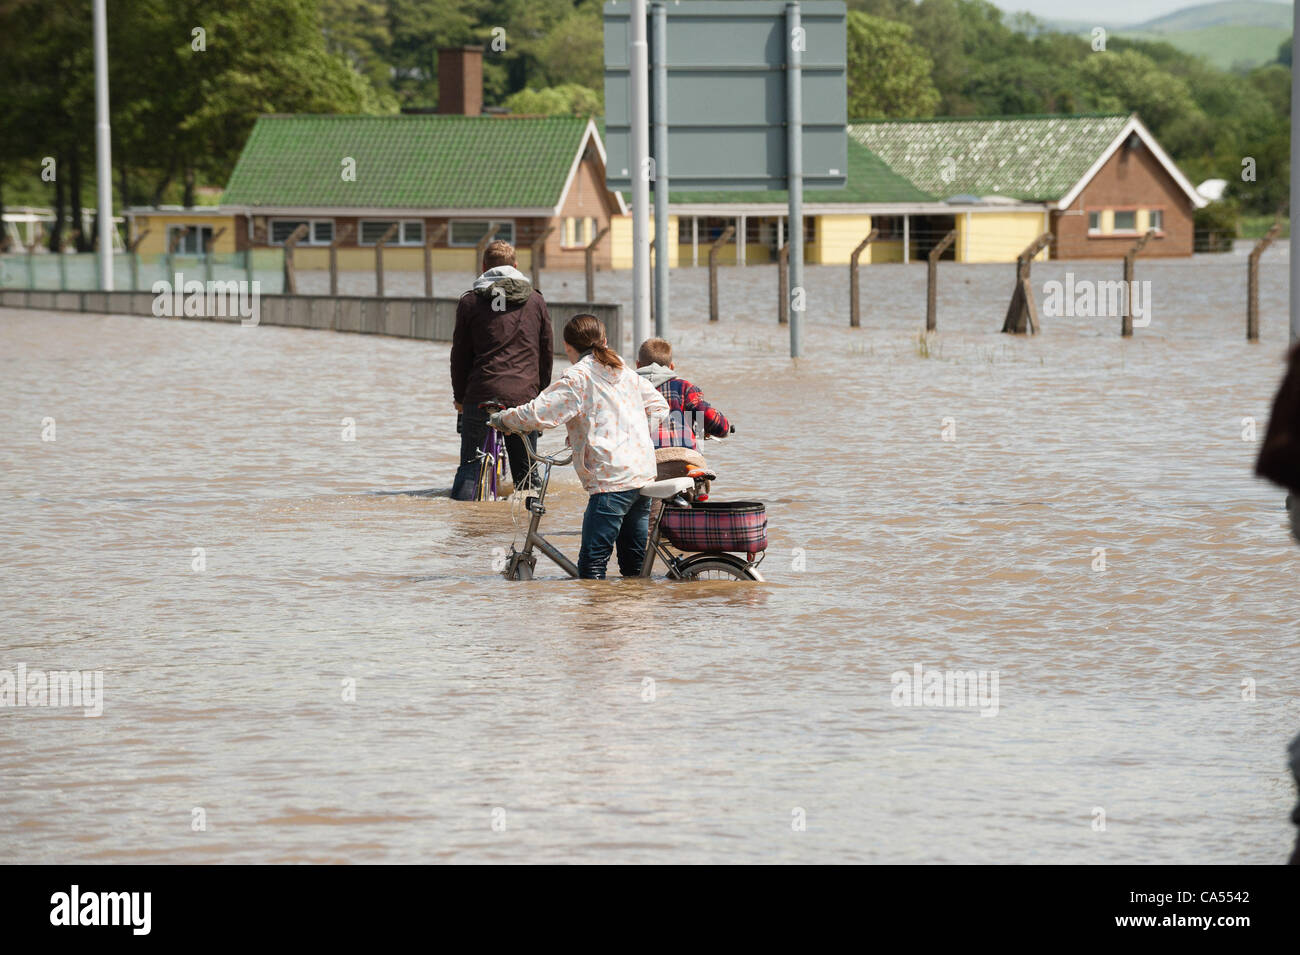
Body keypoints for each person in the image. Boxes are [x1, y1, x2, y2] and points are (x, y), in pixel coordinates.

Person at [489, 314, 668, 579]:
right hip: (641, 474)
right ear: (604, 341)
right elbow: (659, 407)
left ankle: (595, 620)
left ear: (567, 346)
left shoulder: (577, 377)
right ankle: (635, 620)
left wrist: (502, 419)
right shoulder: (624, 371)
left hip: (611, 481)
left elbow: (538, 413)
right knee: (634, 568)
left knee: (591, 570)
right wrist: (631, 435)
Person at [449, 239, 552, 500]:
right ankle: (531, 520)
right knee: (527, 473)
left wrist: (460, 398)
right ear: (516, 266)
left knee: (470, 467)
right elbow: (546, 350)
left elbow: (459, 355)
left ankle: (463, 521)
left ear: (483, 267)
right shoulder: (535, 301)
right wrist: (540, 393)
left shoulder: (470, 302)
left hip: (481, 392)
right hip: (522, 394)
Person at [634, 337, 731, 483]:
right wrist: (724, 428)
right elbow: (708, 416)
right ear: (671, 367)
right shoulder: (684, 388)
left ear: (638, 365)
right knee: (699, 484)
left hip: (646, 460)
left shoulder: (629, 388)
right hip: (685, 457)